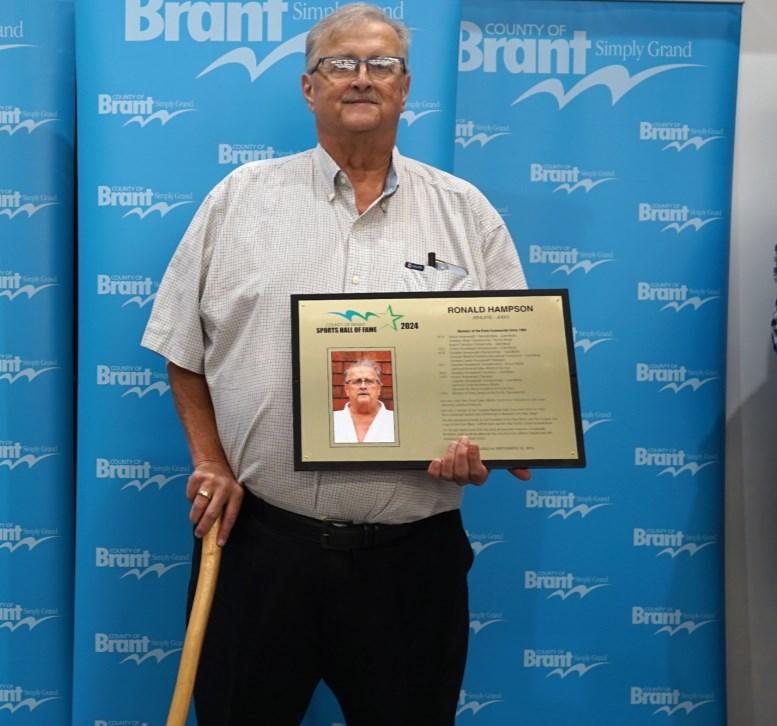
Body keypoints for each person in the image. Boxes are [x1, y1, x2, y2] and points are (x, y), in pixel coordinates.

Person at [142, 4, 530, 724]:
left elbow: (505, 360)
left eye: (381, 64)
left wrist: (488, 444)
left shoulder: (466, 214)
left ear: (405, 88)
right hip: (261, 549)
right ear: (308, 87)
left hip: (413, 563)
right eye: (340, 63)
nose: (361, 78)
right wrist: (211, 461)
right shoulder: (239, 200)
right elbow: (179, 344)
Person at [333, 359, 395, 443]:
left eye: (369, 381)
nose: (363, 386)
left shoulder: (397, 422)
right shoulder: (330, 422)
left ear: (379, 388)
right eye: (357, 381)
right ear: (347, 389)